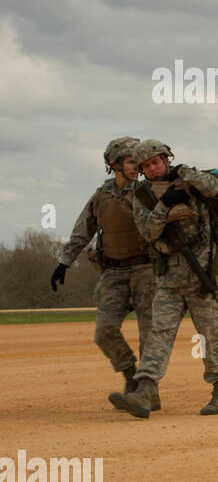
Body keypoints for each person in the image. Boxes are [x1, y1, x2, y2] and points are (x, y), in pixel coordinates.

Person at [108, 140, 218, 417]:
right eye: (145, 166)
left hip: (205, 273)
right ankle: (144, 392)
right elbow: (148, 232)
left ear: (166, 159)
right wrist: (165, 205)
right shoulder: (142, 197)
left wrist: (188, 176)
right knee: (159, 333)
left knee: (209, 334)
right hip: (169, 277)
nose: (152, 169)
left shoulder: (189, 179)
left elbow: (214, 188)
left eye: (156, 162)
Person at [51, 136, 157, 406]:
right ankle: (131, 377)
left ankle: (148, 392)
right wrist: (64, 262)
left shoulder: (148, 193)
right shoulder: (102, 196)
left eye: (140, 162)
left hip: (146, 270)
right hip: (113, 272)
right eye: (132, 162)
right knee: (104, 331)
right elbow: (81, 231)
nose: (138, 167)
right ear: (115, 164)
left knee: (150, 335)